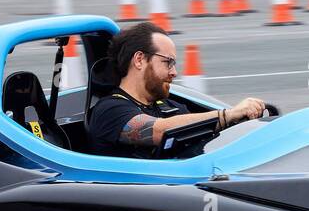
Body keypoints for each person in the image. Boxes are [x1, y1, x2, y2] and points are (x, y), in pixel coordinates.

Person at [86, 21, 266, 159]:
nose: (174, 72)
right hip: (131, 200)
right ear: (139, 60)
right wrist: (226, 115)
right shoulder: (109, 110)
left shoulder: (171, 107)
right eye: (168, 62)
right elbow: (159, 130)